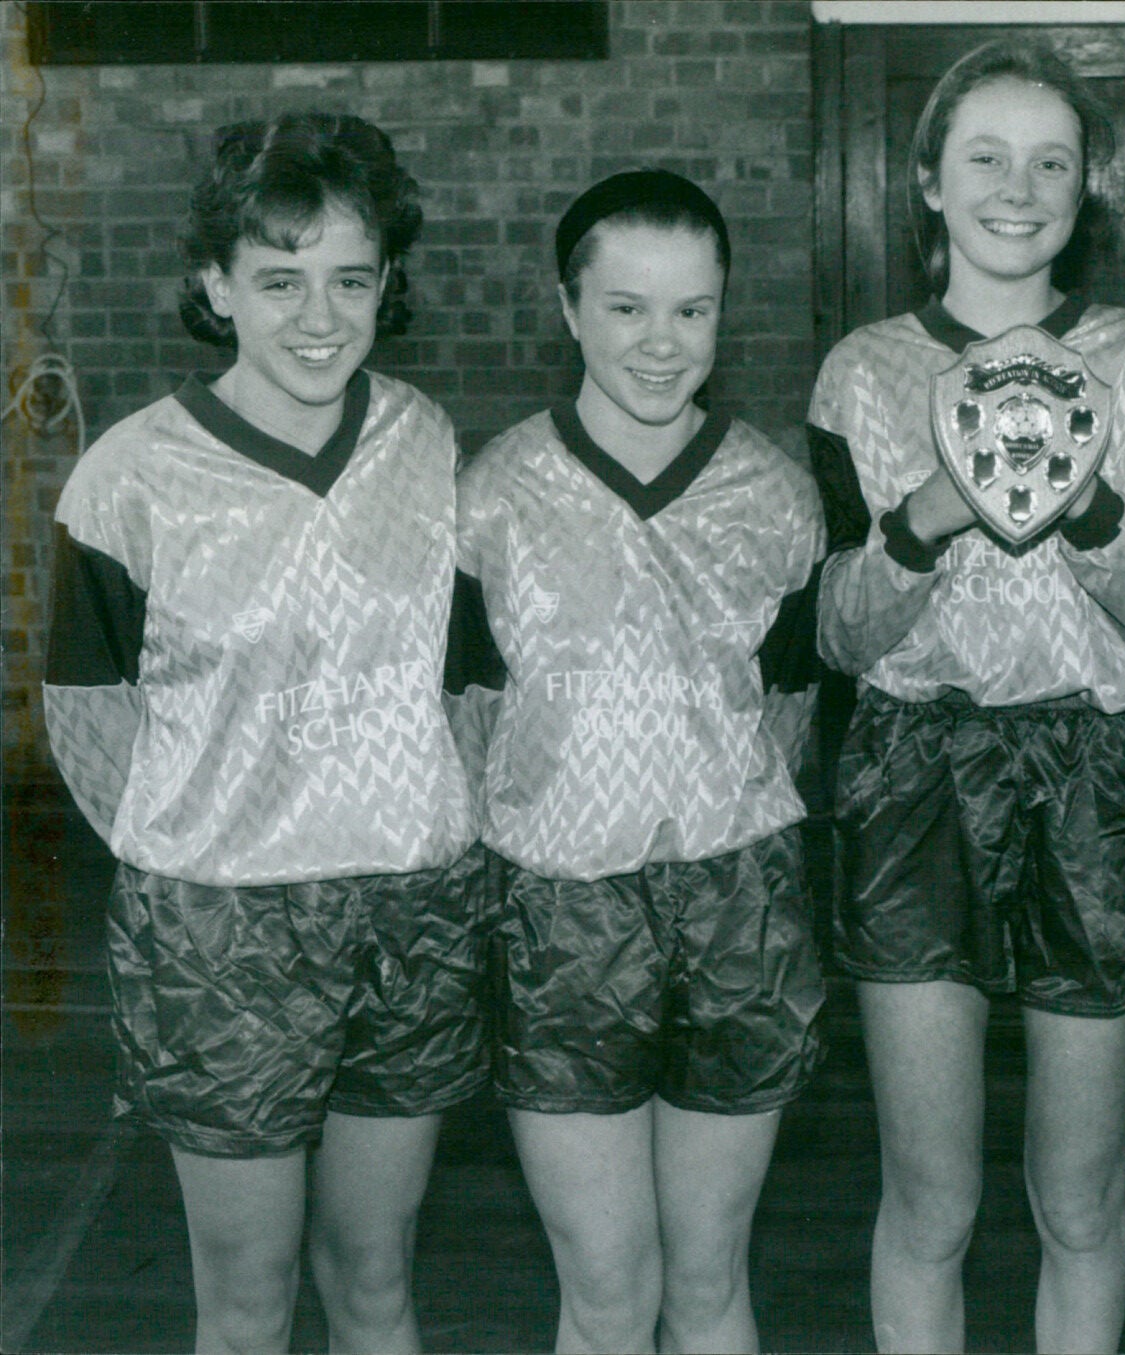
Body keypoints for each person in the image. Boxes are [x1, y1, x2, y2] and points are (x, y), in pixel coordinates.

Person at [41, 112, 480, 1354]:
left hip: (409, 911)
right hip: (223, 930)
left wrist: (417, 822)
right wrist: (209, 849)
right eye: (280, 279)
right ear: (215, 283)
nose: (318, 315)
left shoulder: (422, 440)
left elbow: (458, 683)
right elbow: (87, 720)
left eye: (350, 278)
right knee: (246, 1303)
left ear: (387, 284)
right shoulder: (128, 475)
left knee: (376, 1278)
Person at [807, 37, 1125, 1354]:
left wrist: (1087, 507)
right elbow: (840, 633)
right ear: (928, 182)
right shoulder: (863, 370)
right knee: (930, 1194)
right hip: (914, 768)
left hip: (1099, 773)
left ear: (1087, 188)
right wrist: (923, 516)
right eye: (985, 157)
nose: (1017, 189)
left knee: (1078, 1193)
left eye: (1050, 162)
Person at [446, 170, 825, 1355]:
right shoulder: (493, 492)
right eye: (625, 307)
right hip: (559, 909)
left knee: (708, 1280)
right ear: (568, 308)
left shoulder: (777, 493)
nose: (661, 342)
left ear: (722, 312)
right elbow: (468, 719)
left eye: (691, 309)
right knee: (607, 1293)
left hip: (738, 902)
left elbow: (789, 715)